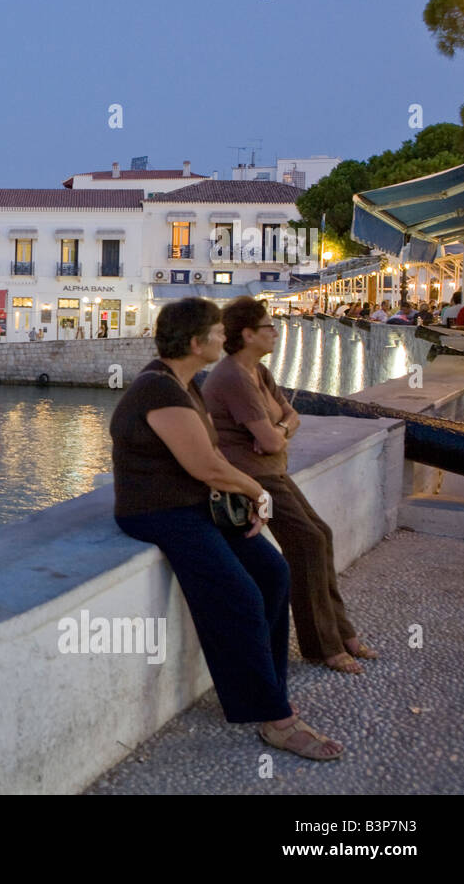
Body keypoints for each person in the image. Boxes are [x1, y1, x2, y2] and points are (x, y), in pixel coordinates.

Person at [110, 297, 342, 759]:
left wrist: (244, 491)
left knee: (274, 573)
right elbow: (203, 466)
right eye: (216, 332)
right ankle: (276, 718)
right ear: (196, 342)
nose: (223, 337)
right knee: (240, 595)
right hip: (159, 512)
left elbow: (214, 460)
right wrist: (257, 493)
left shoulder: (185, 384)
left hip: (198, 507)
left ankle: (269, 688)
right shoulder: (157, 390)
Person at [204, 296, 375, 677]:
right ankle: (323, 645)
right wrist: (279, 432)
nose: (275, 331)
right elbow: (272, 439)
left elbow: (289, 418)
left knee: (321, 535)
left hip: (272, 470)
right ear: (247, 334)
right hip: (252, 478)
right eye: (269, 326)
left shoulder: (259, 373)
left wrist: (279, 430)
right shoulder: (232, 376)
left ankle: (341, 633)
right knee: (308, 542)